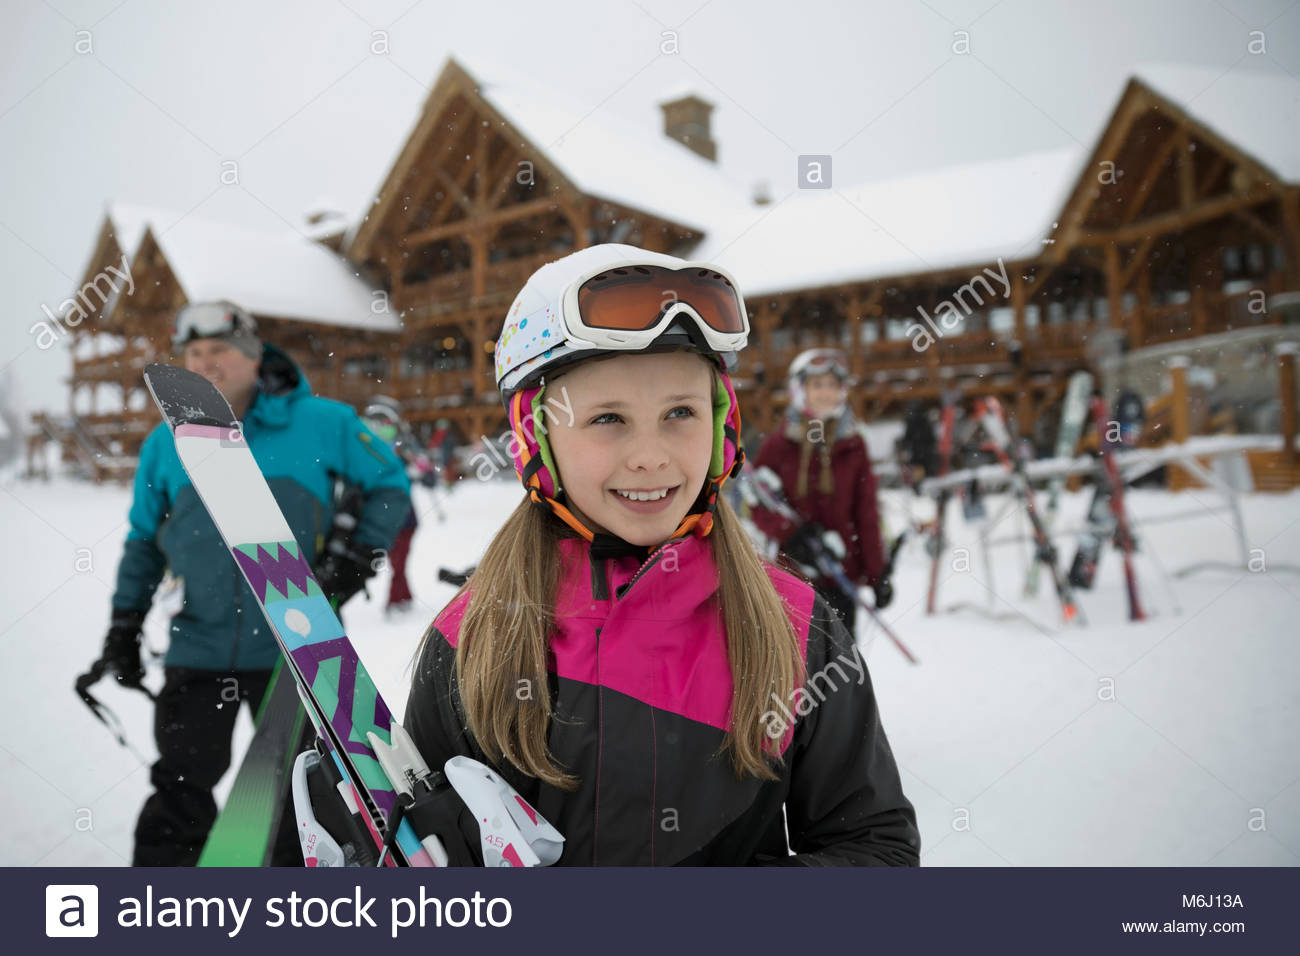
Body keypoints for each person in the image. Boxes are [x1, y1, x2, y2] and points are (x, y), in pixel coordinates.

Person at [404, 245, 919, 866]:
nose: (651, 457)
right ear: (537, 439)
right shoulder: (472, 637)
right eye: (608, 419)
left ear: (721, 429)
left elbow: (874, 846)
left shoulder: (796, 628)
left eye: (680, 412)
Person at [101, 300, 411, 866]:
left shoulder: (323, 422)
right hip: (198, 646)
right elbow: (143, 541)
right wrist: (125, 621)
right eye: (195, 351)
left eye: (219, 349)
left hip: (298, 651)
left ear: (253, 356)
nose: (205, 361)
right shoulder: (164, 444)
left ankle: (293, 903)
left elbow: (390, 482)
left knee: (303, 797)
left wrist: (358, 554)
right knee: (180, 786)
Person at [750, 348, 891, 636]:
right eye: (817, 385)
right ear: (800, 390)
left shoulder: (853, 446)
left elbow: (866, 512)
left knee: (840, 658)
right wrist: (791, 534)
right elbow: (757, 501)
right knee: (798, 657)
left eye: (832, 385)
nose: (825, 392)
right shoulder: (780, 445)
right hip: (793, 575)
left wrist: (877, 574)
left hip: (841, 575)